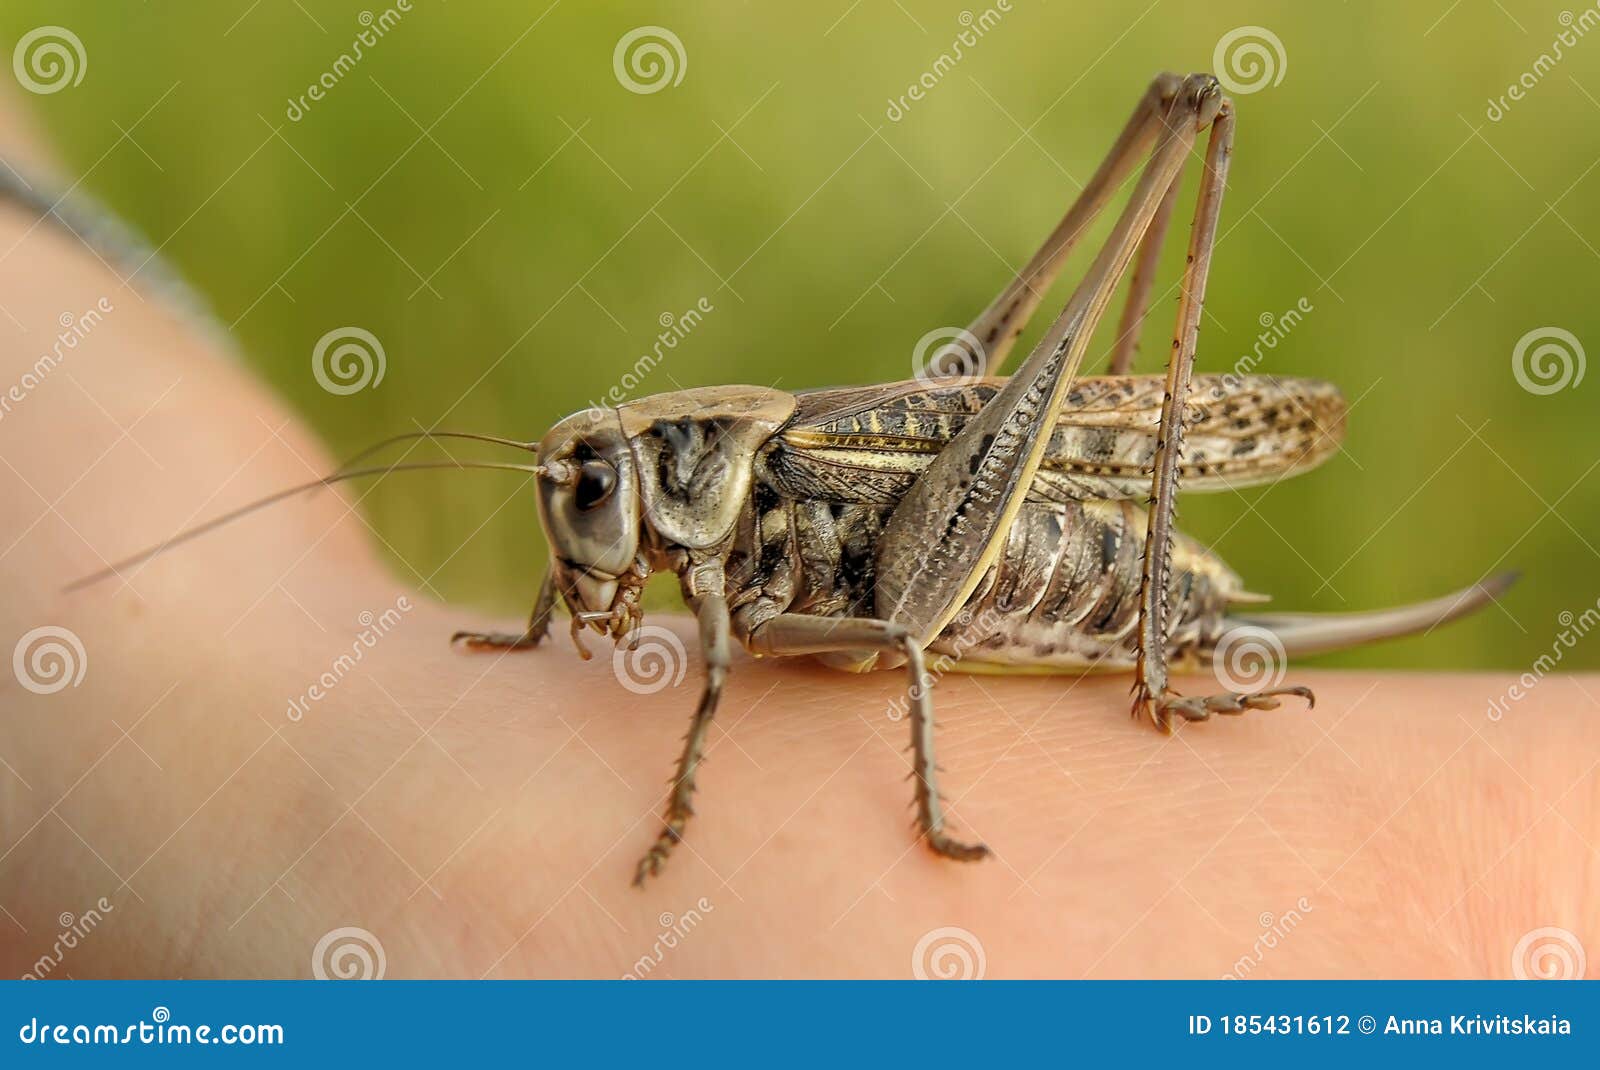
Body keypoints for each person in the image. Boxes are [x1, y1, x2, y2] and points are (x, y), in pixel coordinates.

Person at [0, 88, 1593, 981]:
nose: (587, 525)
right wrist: (511, 640)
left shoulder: (762, 509)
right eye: (583, 496)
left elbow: (826, 636)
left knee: (1174, 137)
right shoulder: (684, 533)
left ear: (673, 468)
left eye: (601, 490)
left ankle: (1162, 670)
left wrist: (689, 793)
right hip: (936, 546)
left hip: (1005, 556)